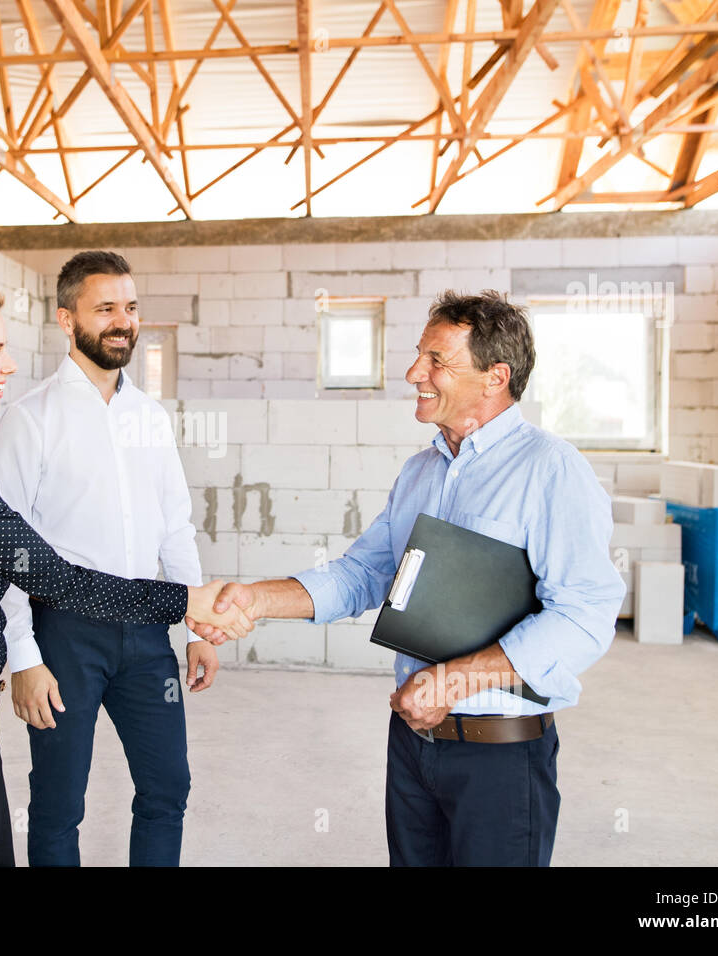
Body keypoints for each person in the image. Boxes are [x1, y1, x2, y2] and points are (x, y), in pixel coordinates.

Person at [189, 290, 625, 866]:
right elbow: (365, 574)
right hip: (414, 744)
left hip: (498, 756)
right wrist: (255, 598)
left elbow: (585, 613)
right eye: (419, 355)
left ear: (496, 376)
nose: (414, 372)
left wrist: (452, 682)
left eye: (436, 361)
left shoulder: (551, 469)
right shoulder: (422, 470)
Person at [0, 284, 252, 867]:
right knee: (48, 811)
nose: (8, 365)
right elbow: (60, 579)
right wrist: (188, 601)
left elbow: (160, 529)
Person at [0, 251, 215, 868]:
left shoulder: (151, 418)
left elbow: (175, 527)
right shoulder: (29, 419)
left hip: (147, 635)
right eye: (106, 308)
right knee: (59, 804)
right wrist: (24, 658)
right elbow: (5, 552)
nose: (123, 322)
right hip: (65, 639)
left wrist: (198, 626)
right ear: (67, 320)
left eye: (132, 307)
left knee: (168, 787)